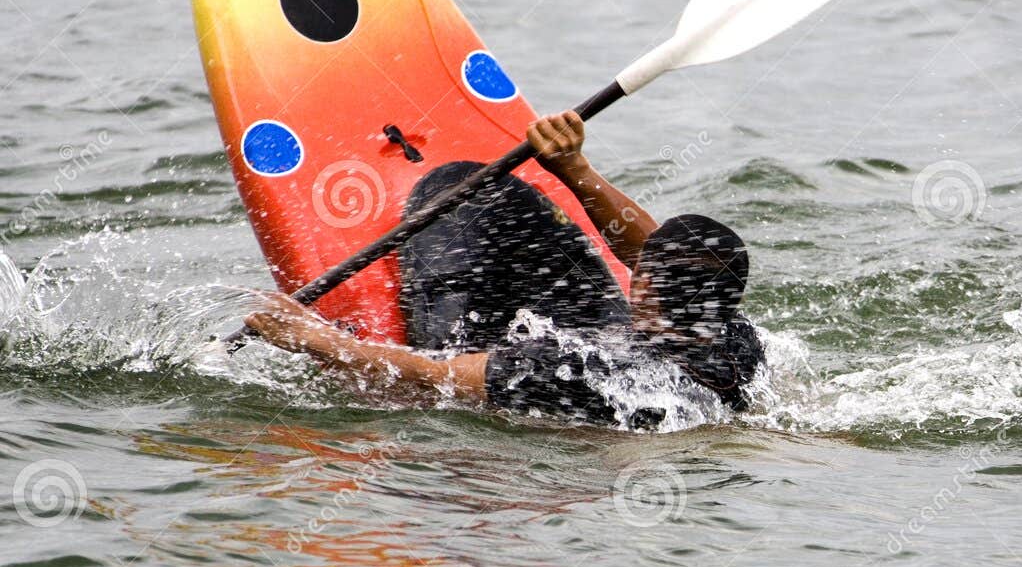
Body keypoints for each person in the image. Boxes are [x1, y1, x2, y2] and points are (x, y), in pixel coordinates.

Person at [244, 112, 765, 429]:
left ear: (645, 284)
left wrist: (311, 338)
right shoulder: (738, 343)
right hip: (617, 357)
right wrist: (573, 168)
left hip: (519, 408)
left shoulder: (573, 368)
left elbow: (434, 376)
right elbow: (652, 254)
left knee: (425, 378)